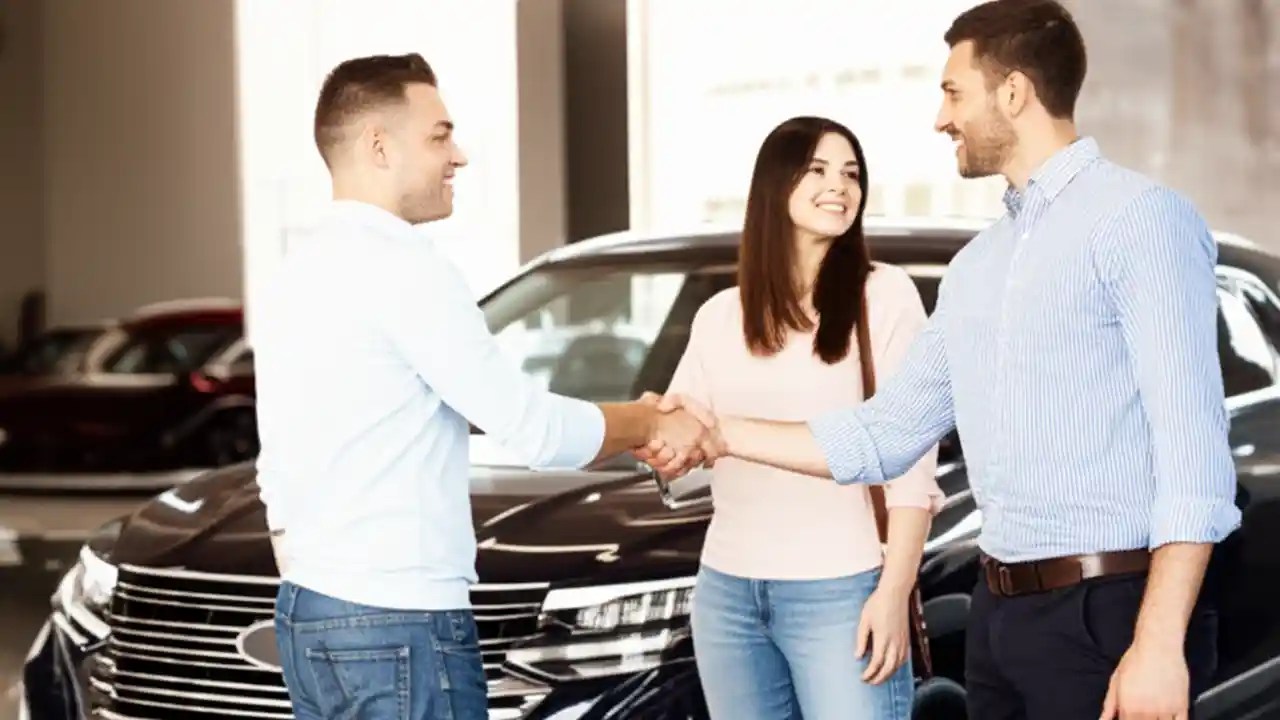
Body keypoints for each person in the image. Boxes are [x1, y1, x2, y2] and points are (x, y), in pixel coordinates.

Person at [642, 2, 1240, 718]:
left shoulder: (1139, 218)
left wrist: (1158, 642)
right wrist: (719, 433)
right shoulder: (975, 267)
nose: (940, 118)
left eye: (953, 92)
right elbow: (883, 434)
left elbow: (1193, 456)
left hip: (1110, 612)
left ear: (1013, 93)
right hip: (1002, 615)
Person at [252, 53, 719, 720]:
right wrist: (648, 424)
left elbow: (278, 470)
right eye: (439, 135)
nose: (459, 155)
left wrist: (326, 576)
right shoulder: (405, 266)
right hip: (399, 624)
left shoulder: (293, 274)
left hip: (311, 612)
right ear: (378, 146)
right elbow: (531, 427)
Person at [649, 116, 942, 719]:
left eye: (851, 174)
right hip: (727, 593)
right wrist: (658, 443)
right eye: (818, 170)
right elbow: (683, 456)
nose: (840, 185)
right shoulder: (718, 316)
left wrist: (893, 593)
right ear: (775, 186)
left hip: (842, 590)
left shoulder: (882, 296)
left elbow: (911, 468)